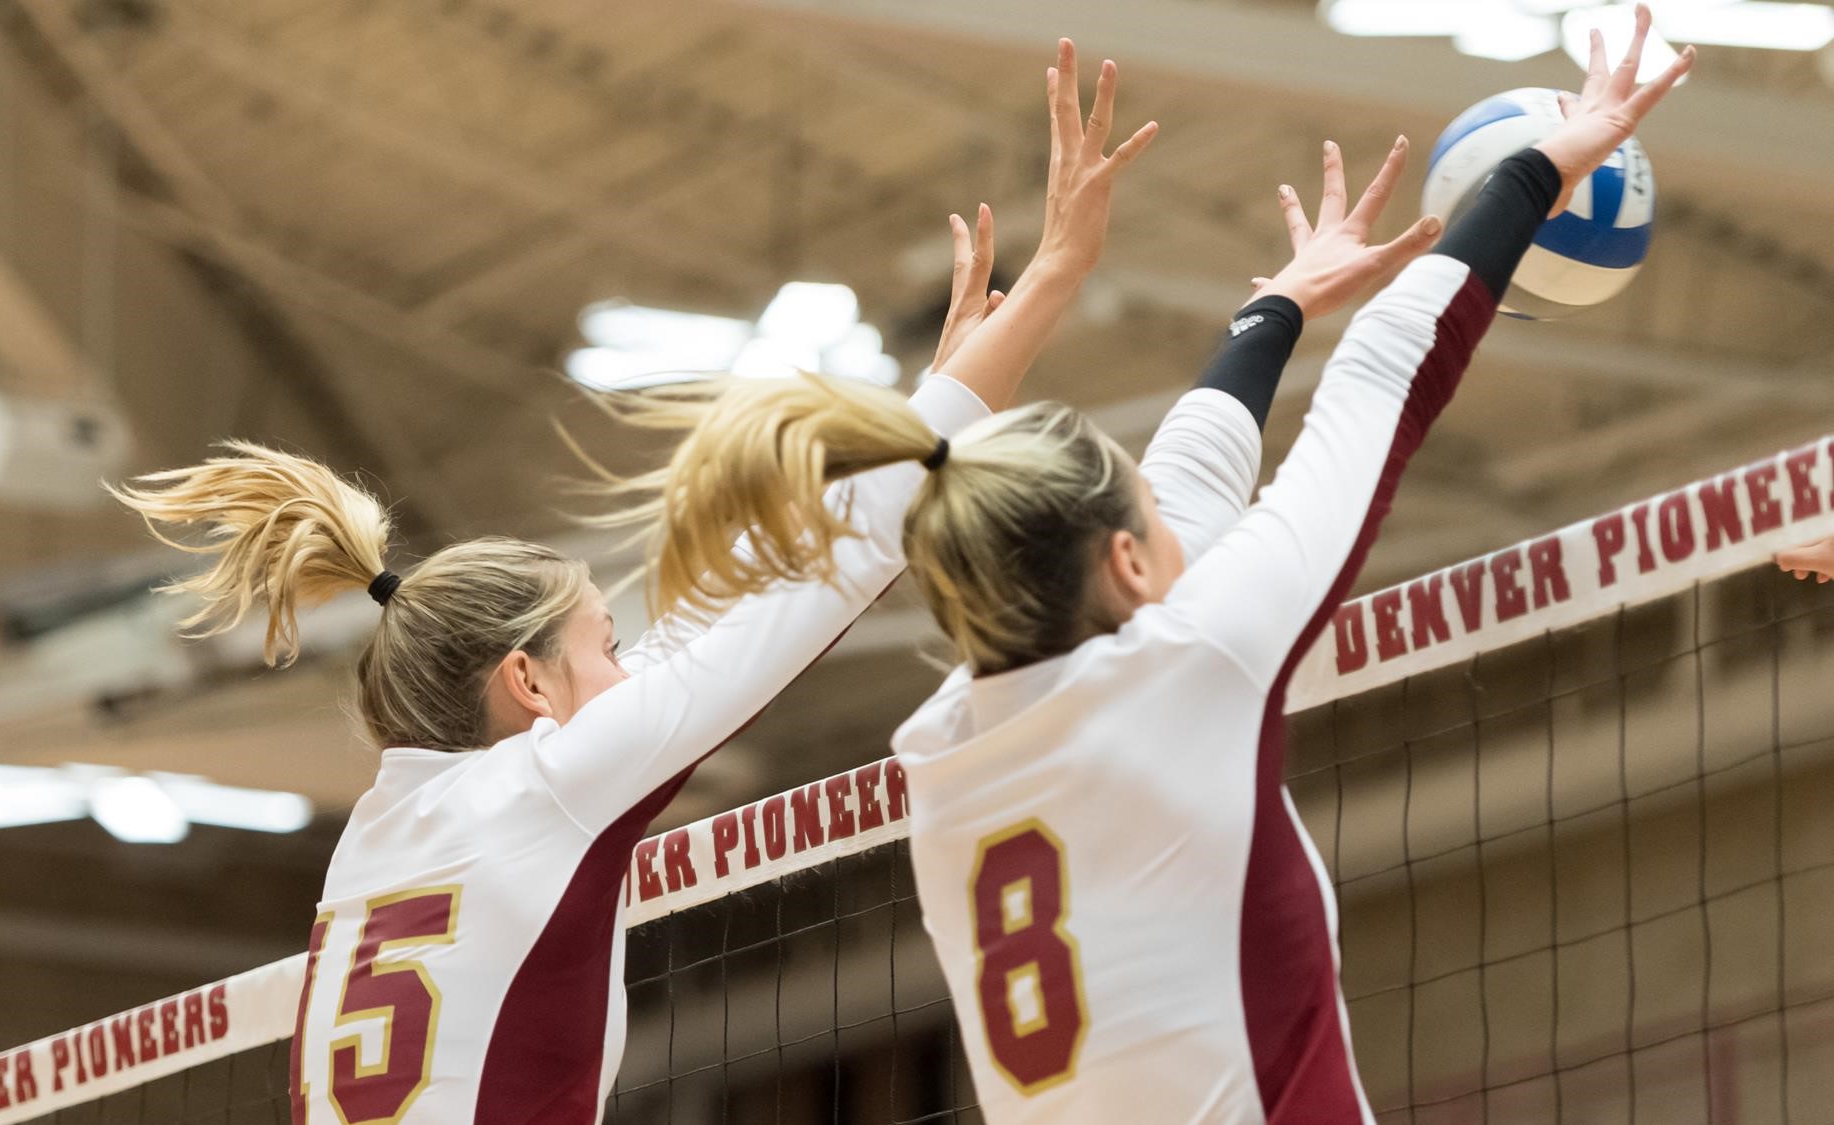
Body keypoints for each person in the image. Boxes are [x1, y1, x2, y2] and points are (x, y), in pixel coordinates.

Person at [600, 12, 1696, 1122]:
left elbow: (1184, 483)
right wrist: (1542, 165)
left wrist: (1275, 308)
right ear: (1125, 562)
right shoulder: (1185, 665)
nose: (1185, 523)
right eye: (1154, 522)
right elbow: (1379, 379)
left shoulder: (944, 747)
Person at [108, 40, 1155, 1125]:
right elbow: (824, 576)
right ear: (525, 683)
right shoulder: (549, 784)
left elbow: (709, 612)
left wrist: (926, 395)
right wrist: (1056, 275)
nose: (631, 661)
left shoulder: (377, 840)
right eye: (605, 645)